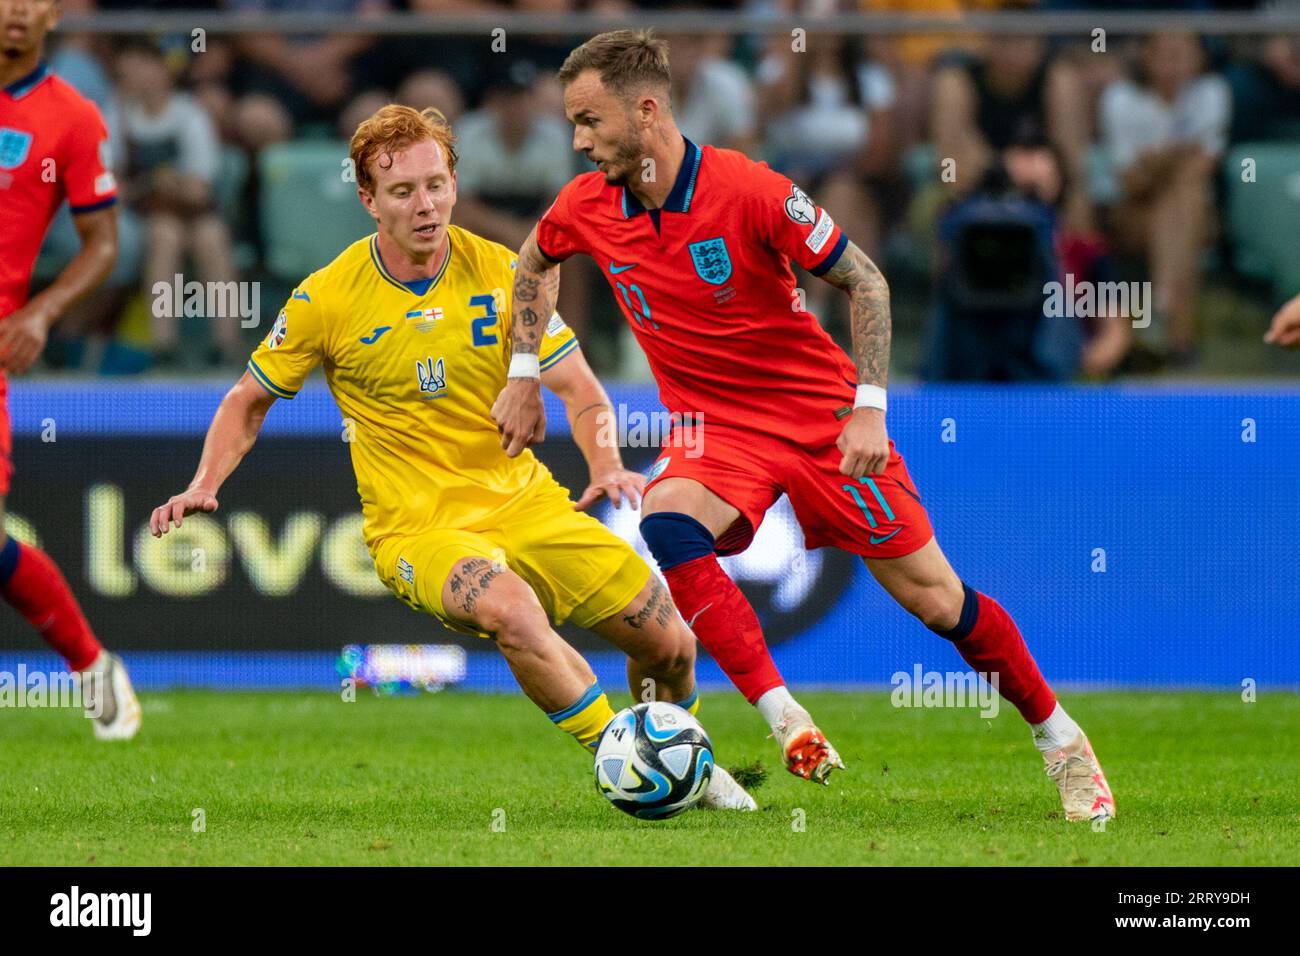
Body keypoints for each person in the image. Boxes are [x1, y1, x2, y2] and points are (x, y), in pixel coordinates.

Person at [494, 31, 1116, 823]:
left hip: (819, 416)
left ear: (646, 110)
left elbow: (866, 280)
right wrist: (521, 375)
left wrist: (869, 406)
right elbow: (531, 262)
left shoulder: (749, 188)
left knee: (938, 602)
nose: (578, 141)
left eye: (589, 121)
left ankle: (1062, 742)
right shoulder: (586, 205)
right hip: (712, 428)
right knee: (667, 520)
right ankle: (784, 717)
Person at [149, 104, 754, 811]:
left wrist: (605, 463)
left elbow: (580, 387)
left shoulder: (504, 274)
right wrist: (203, 483)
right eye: (402, 192)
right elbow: (245, 402)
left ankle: (679, 760)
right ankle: (636, 764)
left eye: (436, 184)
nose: (425, 205)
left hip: (526, 502)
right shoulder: (327, 298)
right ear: (368, 199)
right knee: (514, 613)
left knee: (670, 645)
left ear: (455, 184)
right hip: (419, 528)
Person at [0, 0, 141, 739]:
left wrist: (40, 314)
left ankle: (90, 664)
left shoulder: (72, 119)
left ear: (56, 12)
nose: (17, 10)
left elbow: (103, 243)